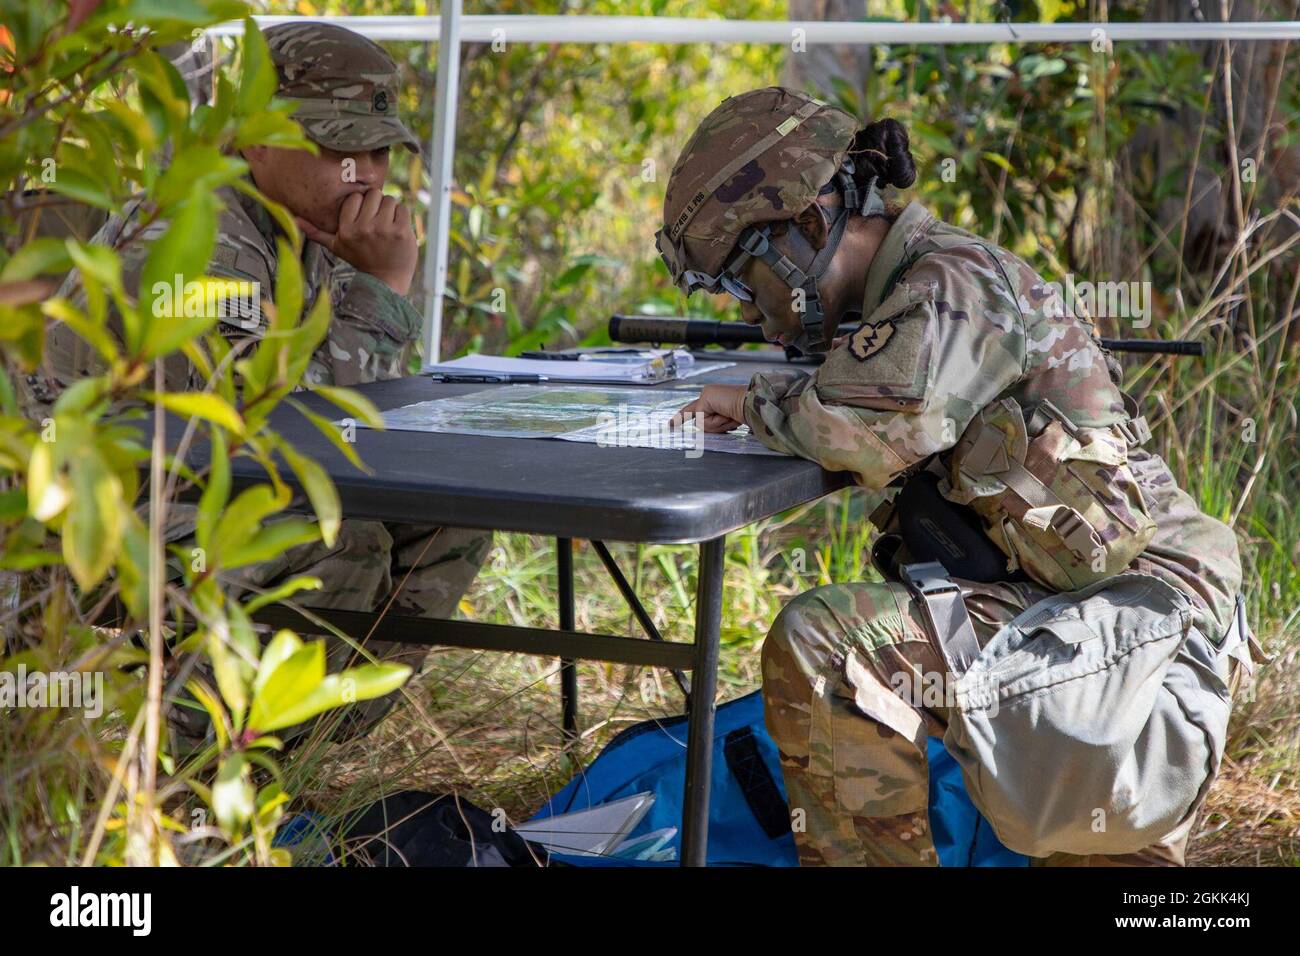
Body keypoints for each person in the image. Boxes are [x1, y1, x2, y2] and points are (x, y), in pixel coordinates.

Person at [660, 86, 1260, 866]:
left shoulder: (947, 285)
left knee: (828, 645)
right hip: (1079, 598)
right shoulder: (910, 288)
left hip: (1136, 614)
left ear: (808, 225)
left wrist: (749, 401)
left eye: (743, 280)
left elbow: (859, 433)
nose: (745, 313)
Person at [33, 22, 491, 745]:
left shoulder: (300, 228)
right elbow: (298, 428)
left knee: (455, 518)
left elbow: (356, 420)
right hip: (95, 520)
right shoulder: (197, 237)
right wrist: (381, 289)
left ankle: (305, 739)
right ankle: (178, 770)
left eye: (379, 150)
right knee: (348, 544)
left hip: (201, 492)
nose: (365, 172)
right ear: (253, 139)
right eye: (338, 146)